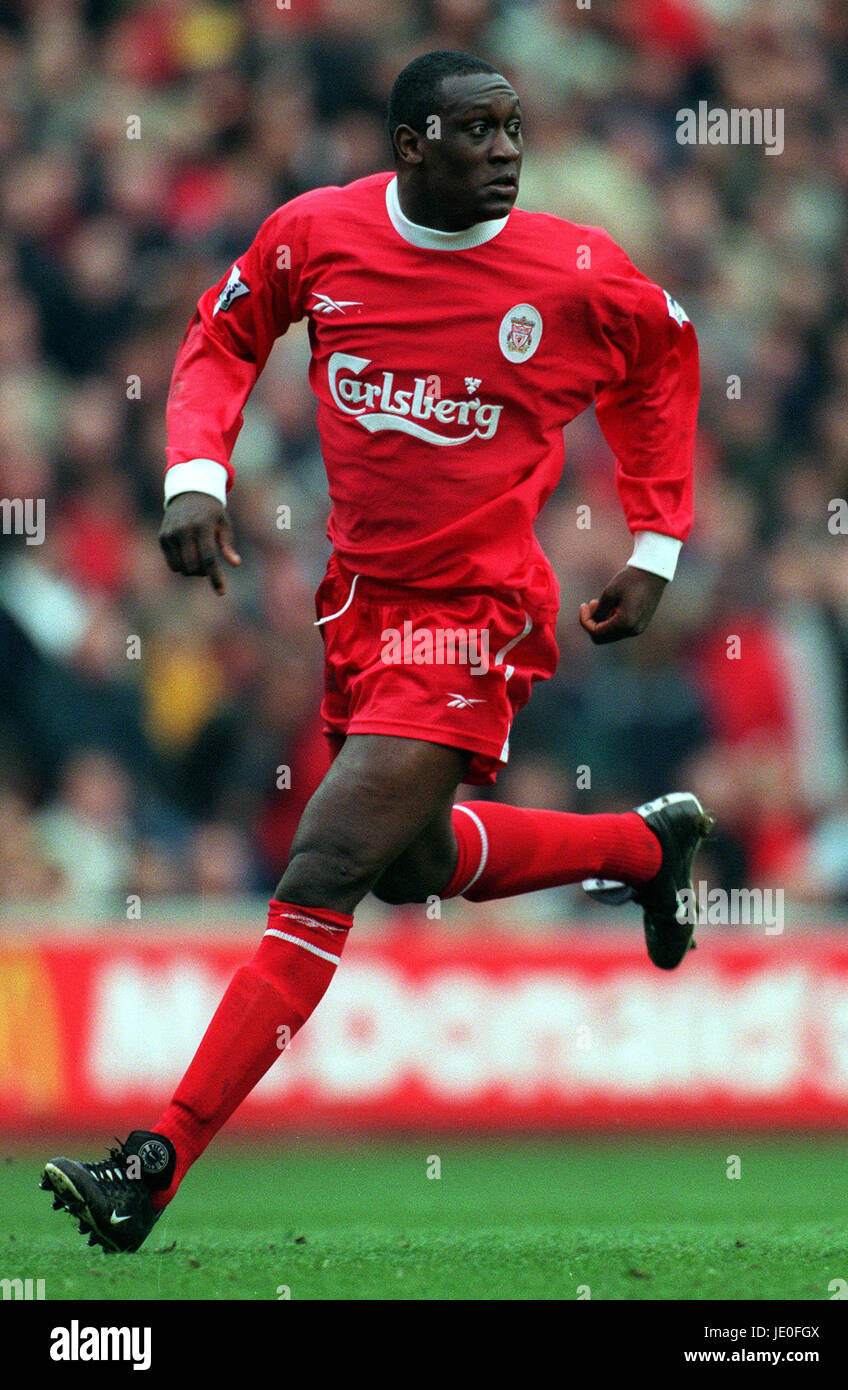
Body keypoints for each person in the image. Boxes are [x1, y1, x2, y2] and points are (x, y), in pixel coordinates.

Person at [41, 51, 712, 1253]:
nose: (505, 149)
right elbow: (220, 337)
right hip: (356, 608)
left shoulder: (567, 270)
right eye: (475, 130)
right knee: (406, 870)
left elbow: (663, 350)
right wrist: (197, 472)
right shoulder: (318, 234)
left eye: (514, 127)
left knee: (325, 864)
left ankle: (154, 1159)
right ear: (411, 145)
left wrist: (657, 538)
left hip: (475, 613)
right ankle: (642, 845)